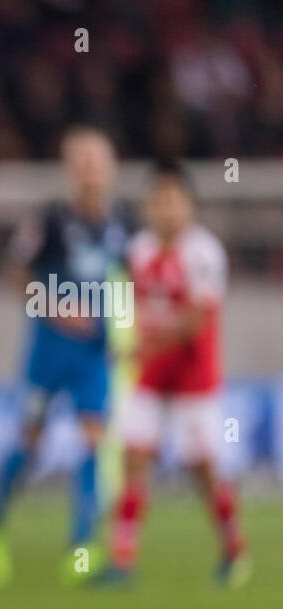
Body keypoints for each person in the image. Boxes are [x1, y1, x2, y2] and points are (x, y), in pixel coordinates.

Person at [0, 126, 132, 588]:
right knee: (31, 442)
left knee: (91, 441)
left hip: (94, 356)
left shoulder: (122, 224)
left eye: (96, 161)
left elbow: (128, 281)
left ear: (110, 168)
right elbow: (14, 273)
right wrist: (54, 307)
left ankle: (81, 549)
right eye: (80, 162)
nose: (89, 171)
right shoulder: (49, 221)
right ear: (68, 169)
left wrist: (123, 328)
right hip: (49, 351)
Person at [97, 161, 250, 587]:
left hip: (195, 380)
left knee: (201, 468)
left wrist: (138, 347)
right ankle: (122, 561)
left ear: (188, 205)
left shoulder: (204, 253)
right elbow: (133, 302)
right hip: (152, 375)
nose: (164, 209)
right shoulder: (140, 249)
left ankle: (234, 548)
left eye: (172, 200)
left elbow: (194, 321)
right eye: (157, 200)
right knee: (135, 459)